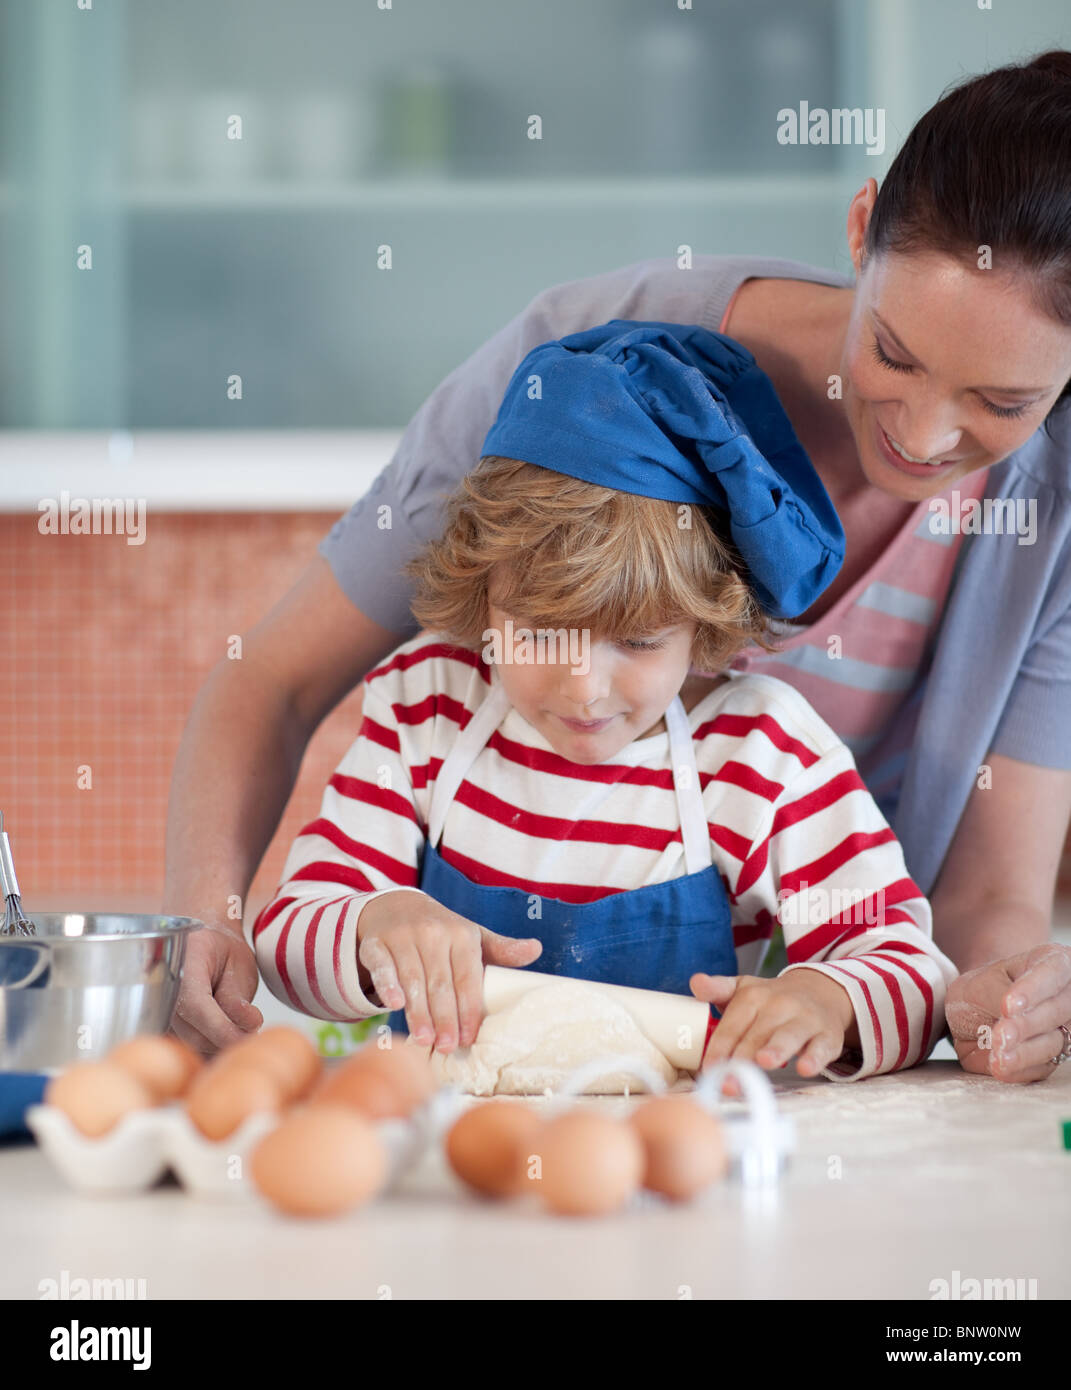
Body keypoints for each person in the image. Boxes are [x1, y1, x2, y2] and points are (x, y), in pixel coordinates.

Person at [166, 51, 1071, 1083]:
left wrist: (981, 998)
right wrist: (248, 926)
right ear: (861, 226)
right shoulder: (566, 390)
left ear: (715, 629)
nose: (920, 433)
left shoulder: (759, 744)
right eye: (897, 354)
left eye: (1000, 402)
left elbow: (963, 916)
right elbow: (272, 690)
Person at [251, 322, 958, 1081]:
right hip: (448, 1156)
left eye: (640, 641)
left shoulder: (758, 753)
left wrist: (827, 998)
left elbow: (913, 972)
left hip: (670, 1164)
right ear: (484, 598)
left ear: (705, 620)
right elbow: (288, 936)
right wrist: (370, 923)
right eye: (541, 635)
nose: (583, 687)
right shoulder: (429, 705)